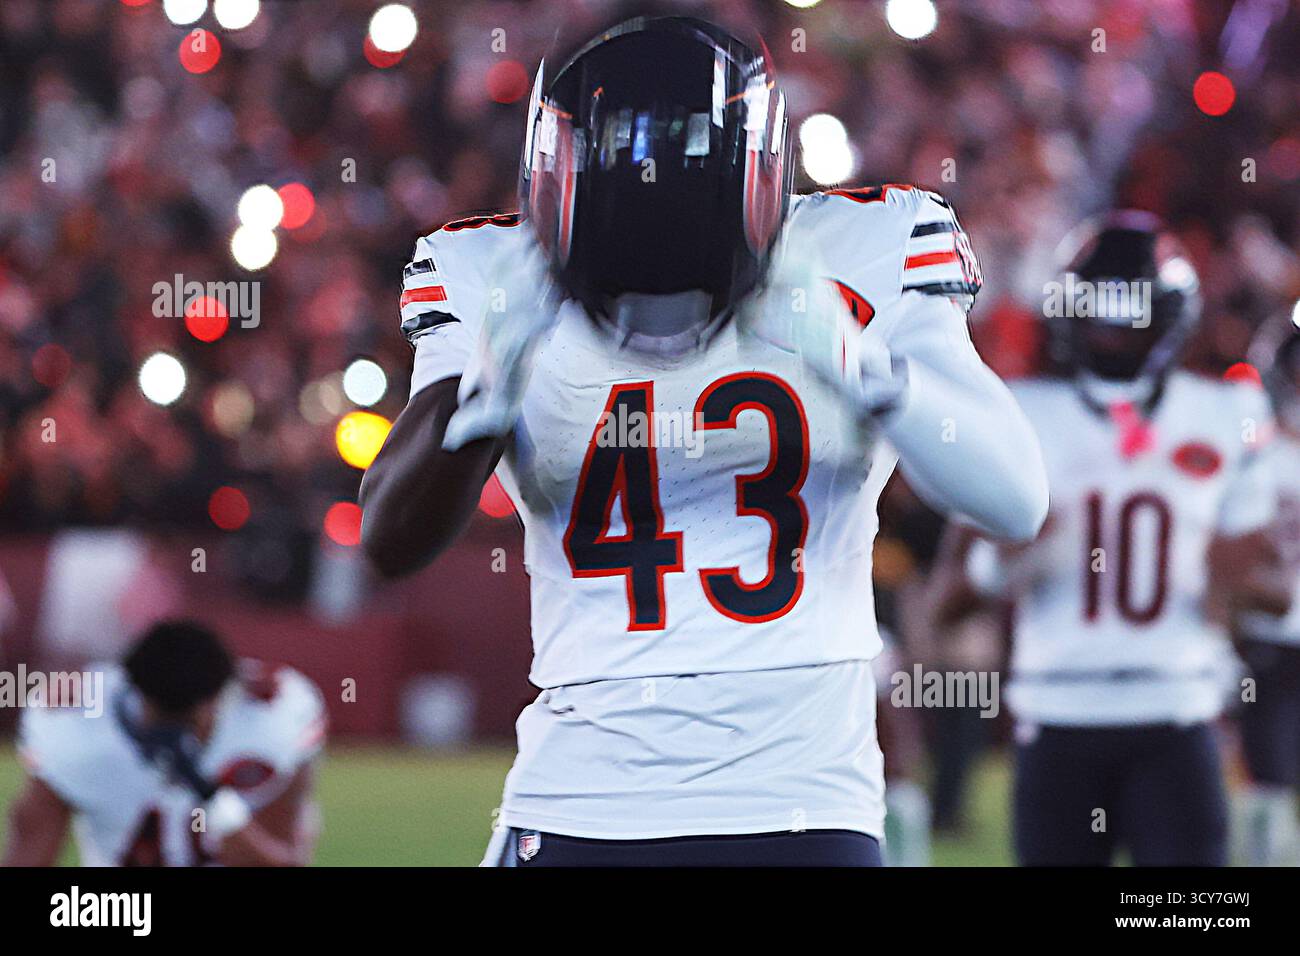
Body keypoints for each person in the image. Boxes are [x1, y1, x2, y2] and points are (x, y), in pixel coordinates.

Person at [361, 15, 1047, 866]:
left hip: (785, 804)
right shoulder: (494, 273)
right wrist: (486, 390)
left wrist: (861, 367)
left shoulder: (859, 252)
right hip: (594, 796)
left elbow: (1016, 496)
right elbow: (389, 538)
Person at [925, 211, 1287, 865]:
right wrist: (1000, 566)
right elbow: (945, 601)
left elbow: (1280, 598)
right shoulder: (1023, 412)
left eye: (1130, 314)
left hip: (1177, 717)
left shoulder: (1226, 411)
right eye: (1100, 313)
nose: (1114, 332)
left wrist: (1227, 573)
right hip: (1057, 719)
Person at [2, 620, 325, 866]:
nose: (172, 736)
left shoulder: (270, 721)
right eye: (161, 717)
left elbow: (285, 857)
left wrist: (226, 816)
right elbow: (30, 851)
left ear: (219, 699)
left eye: (186, 721)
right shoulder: (74, 726)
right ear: (134, 692)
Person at [1233, 317, 1300, 865]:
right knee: (1268, 778)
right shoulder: (1252, 451)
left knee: (1270, 779)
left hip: (1268, 630)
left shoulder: (1255, 452)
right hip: (1267, 630)